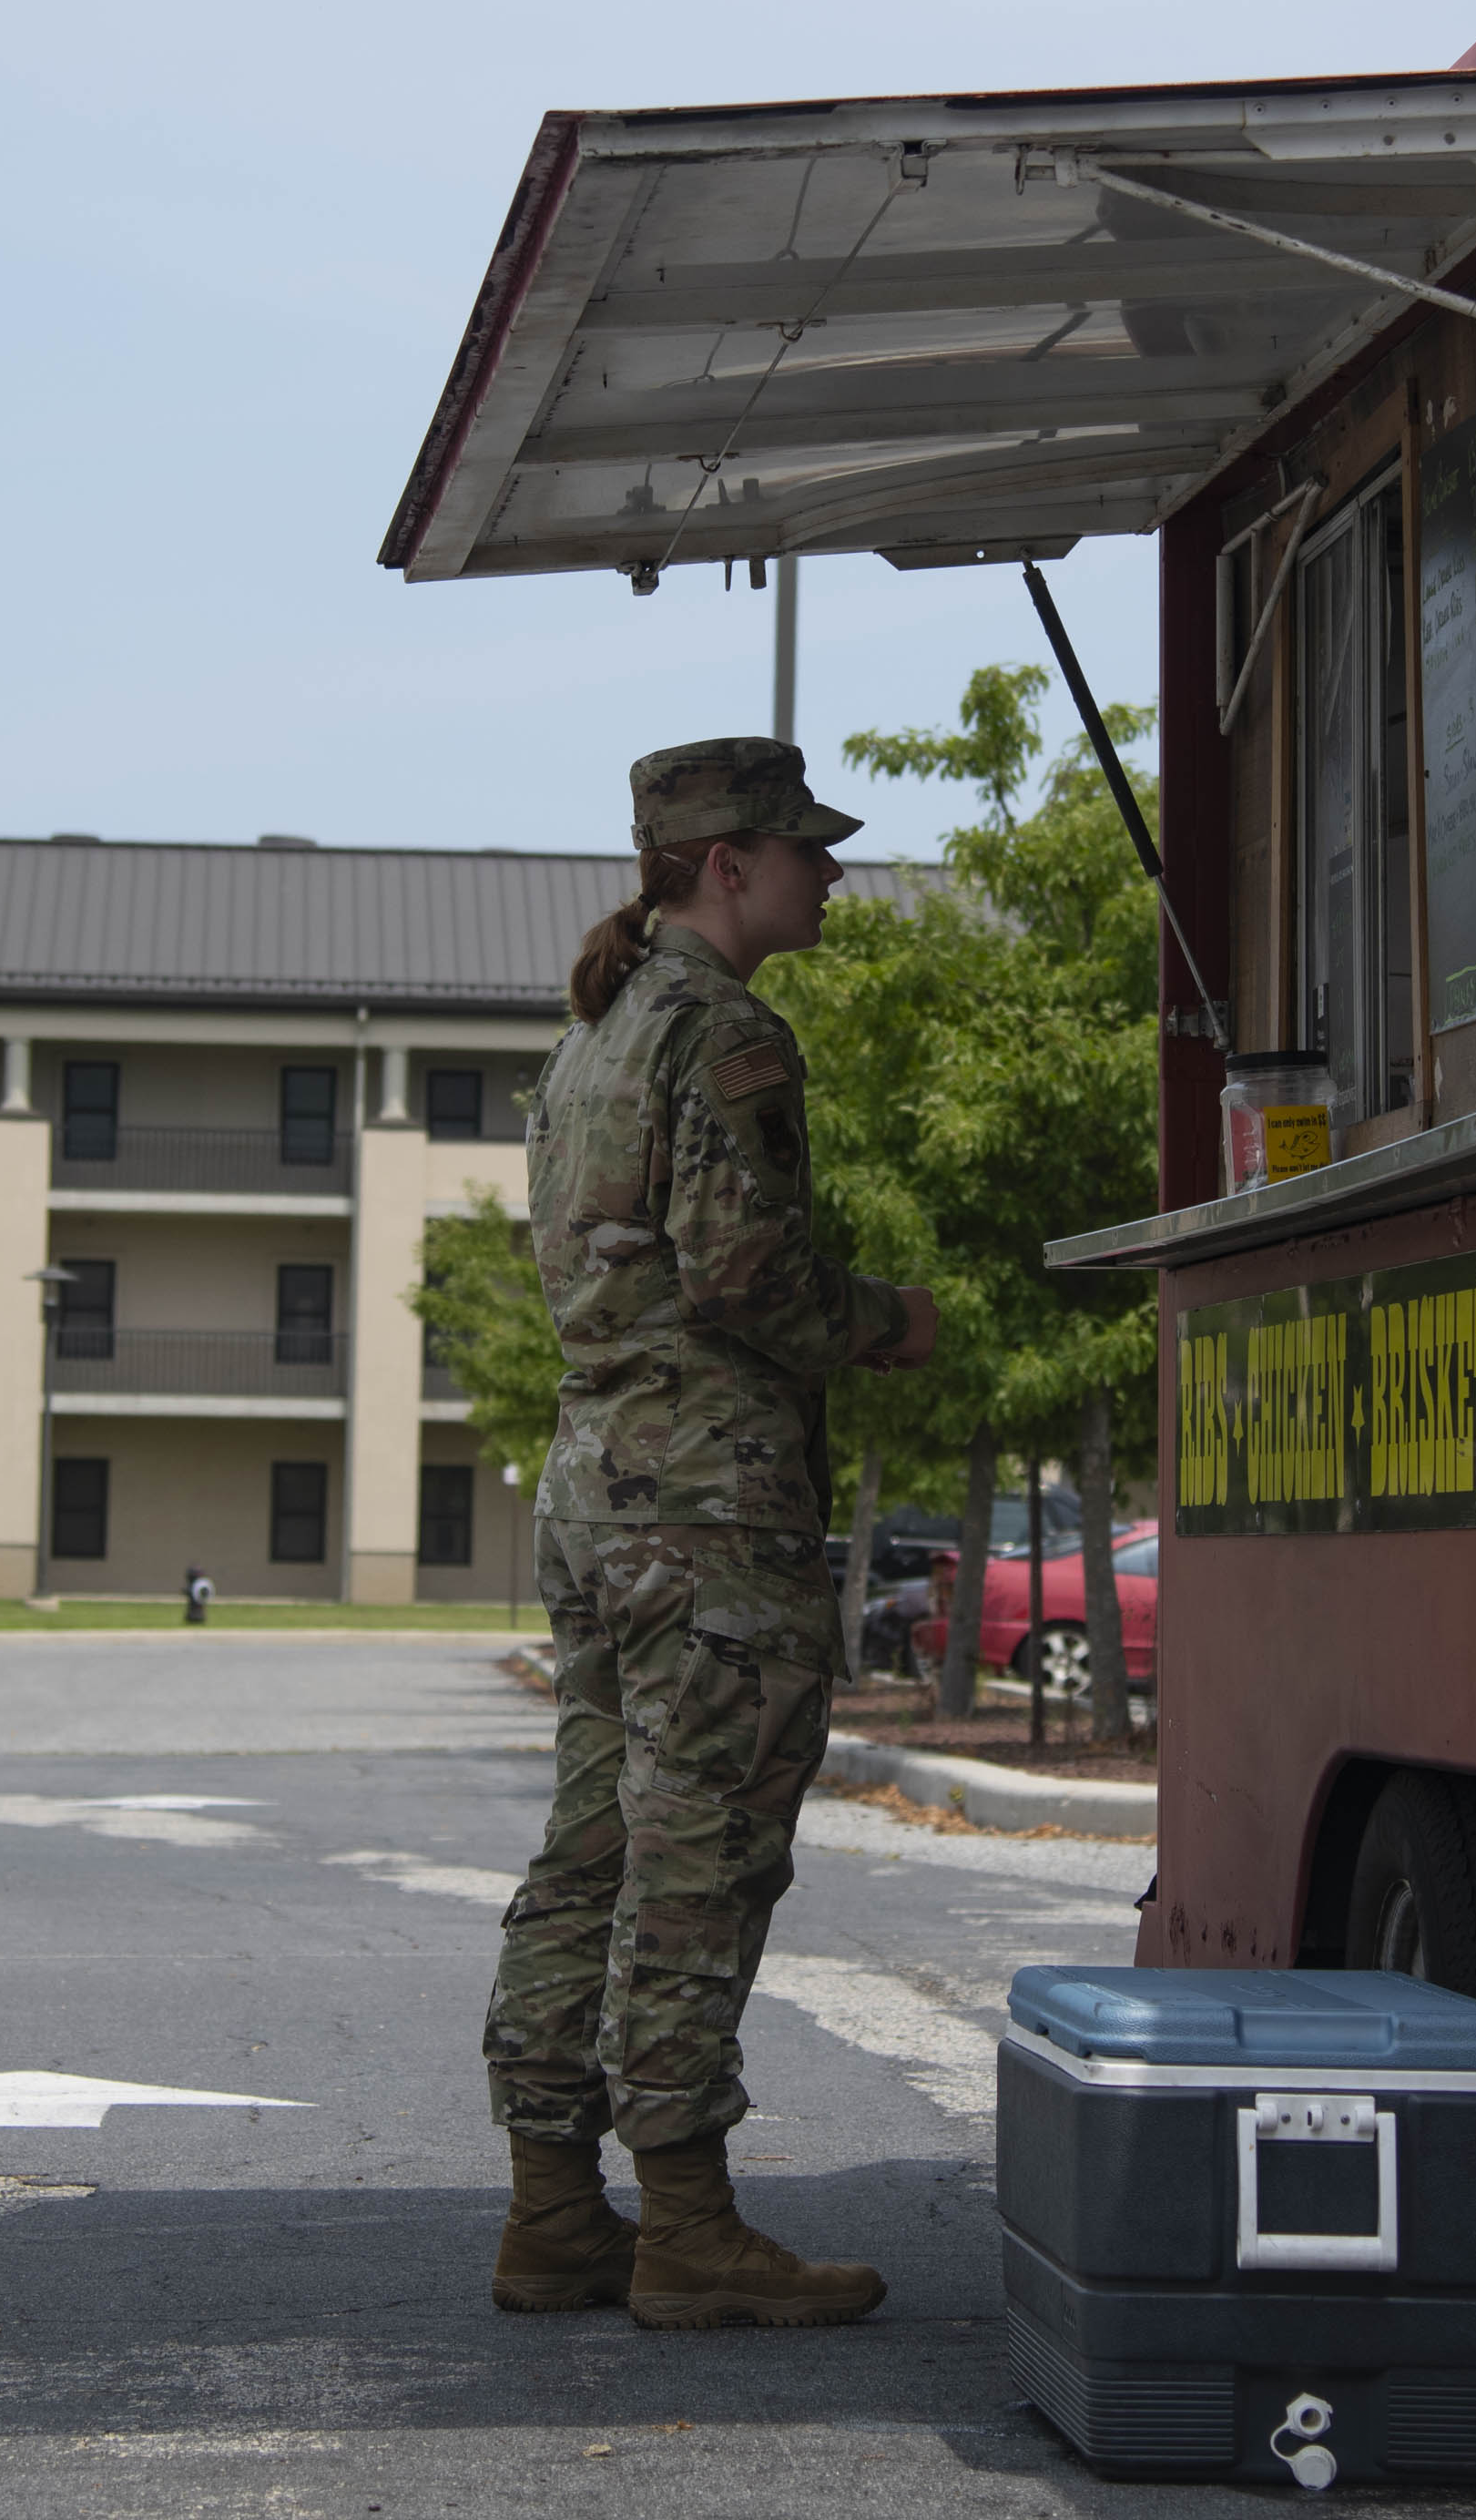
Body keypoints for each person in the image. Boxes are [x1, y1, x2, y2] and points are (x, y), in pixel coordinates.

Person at [482, 737, 938, 2331]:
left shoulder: (596, 1030)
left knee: (597, 1842)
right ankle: (684, 2224)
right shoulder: (726, 1033)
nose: (830, 872)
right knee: (703, 1854)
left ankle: (553, 2208)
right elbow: (751, 1278)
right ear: (726, 864)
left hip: (598, 1478)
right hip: (708, 1497)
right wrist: (893, 1321)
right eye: (805, 850)